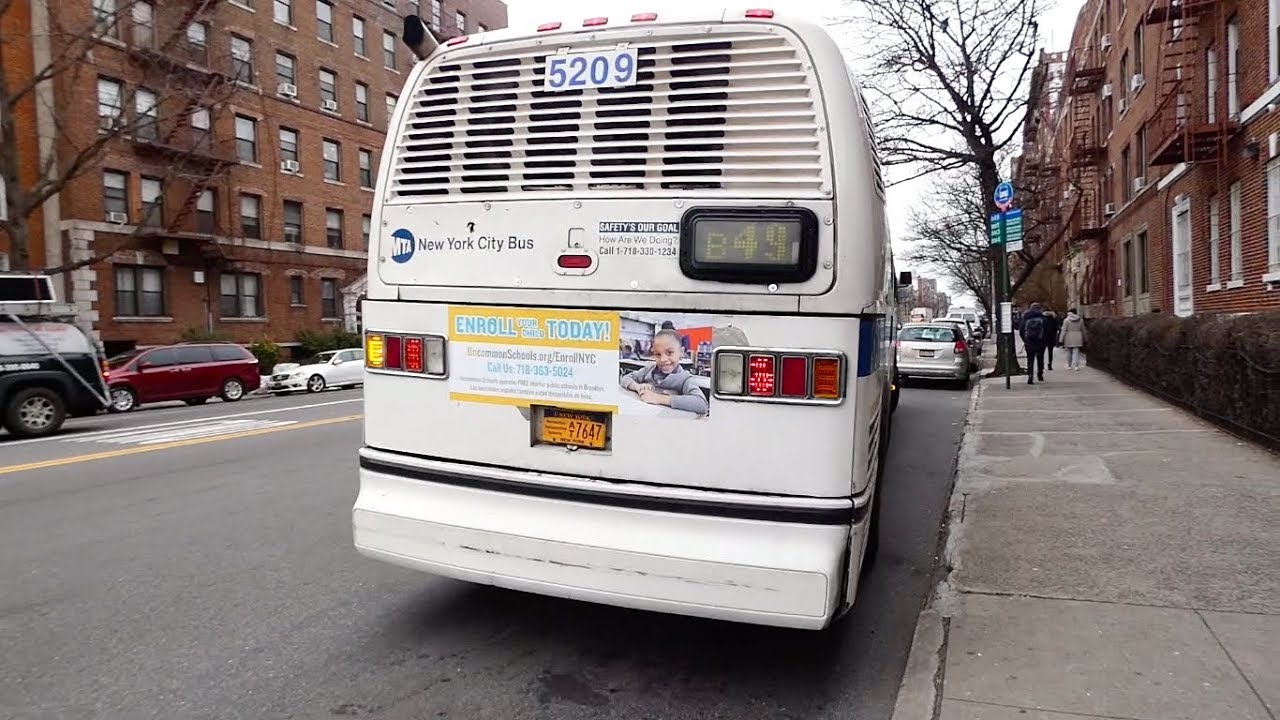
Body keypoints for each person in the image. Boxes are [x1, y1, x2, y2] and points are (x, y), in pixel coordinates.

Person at [620, 329, 709, 416]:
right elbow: (625, 378)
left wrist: (658, 398)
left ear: (681, 352)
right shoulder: (649, 369)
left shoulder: (684, 378)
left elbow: (702, 404)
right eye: (658, 354)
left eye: (669, 352)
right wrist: (638, 387)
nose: (663, 360)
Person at [1019, 302, 1049, 384]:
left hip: (1029, 342)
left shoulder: (1025, 318)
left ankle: (1030, 376)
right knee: (1040, 358)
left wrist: (1025, 340)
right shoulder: (1043, 319)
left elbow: (1021, 330)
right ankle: (1040, 374)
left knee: (1030, 359)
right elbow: (1047, 331)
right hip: (1040, 342)